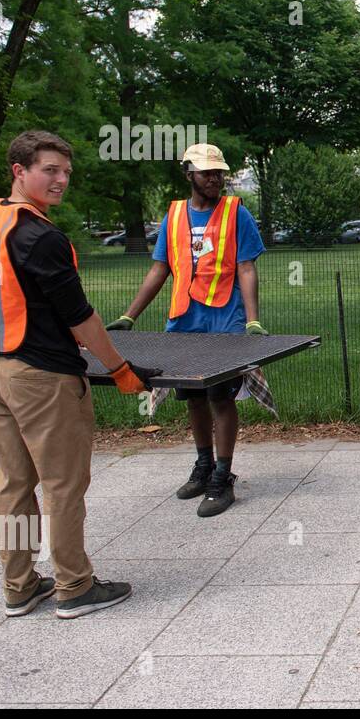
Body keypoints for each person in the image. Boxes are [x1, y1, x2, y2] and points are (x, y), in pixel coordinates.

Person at [0, 130, 158, 619]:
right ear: (19, 171)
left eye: (66, 171)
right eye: (50, 170)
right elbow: (79, 317)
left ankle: (19, 586)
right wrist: (120, 369)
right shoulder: (41, 236)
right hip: (42, 376)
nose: (61, 179)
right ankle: (75, 585)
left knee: (13, 483)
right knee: (63, 485)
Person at [106, 143, 266, 517]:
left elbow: (245, 268)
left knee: (220, 398)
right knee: (194, 397)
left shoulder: (236, 213)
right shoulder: (174, 215)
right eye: (207, 173)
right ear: (189, 174)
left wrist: (253, 319)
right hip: (182, 321)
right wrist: (130, 315)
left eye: (219, 173)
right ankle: (204, 465)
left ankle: (223, 476)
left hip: (224, 321)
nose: (215, 179)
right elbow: (160, 269)